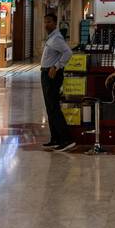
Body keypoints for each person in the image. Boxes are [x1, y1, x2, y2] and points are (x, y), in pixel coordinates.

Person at [40, 11, 76, 151]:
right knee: (50, 108)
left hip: (52, 76)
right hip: (46, 74)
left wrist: (57, 66)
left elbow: (68, 52)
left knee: (54, 108)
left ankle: (66, 139)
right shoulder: (51, 38)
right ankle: (55, 139)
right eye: (45, 21)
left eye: (49, 22)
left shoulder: (56, 38)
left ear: (55, 23)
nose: (46, 24)